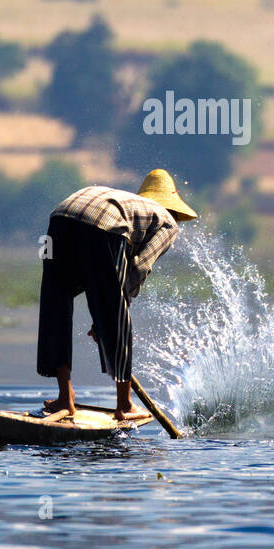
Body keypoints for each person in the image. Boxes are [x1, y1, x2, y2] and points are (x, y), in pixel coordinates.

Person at [37, 168, 198, 420]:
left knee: (55, 301)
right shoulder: (167, 222)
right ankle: (124, 405)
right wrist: (110, 317)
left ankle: (64, 399)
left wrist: (102, 319)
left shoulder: (127, 203)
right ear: (173, 209)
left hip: (59, 220)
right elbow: (138, 267)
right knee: (117, 313)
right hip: (103, 228)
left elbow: (93, 278)